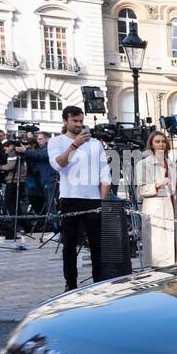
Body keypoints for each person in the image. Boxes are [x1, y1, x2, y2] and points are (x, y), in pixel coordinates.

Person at [48, 105, 111, 291]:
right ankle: (71, 284)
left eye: (81, 121)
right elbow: (58, 165)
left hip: (93, 200)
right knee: (69, 246)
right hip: (70, 198)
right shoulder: (57, 142)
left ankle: (99, 282)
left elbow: (104, 174)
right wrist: (74, 145)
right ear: (65, 121)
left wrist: (103, 201)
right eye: (74, 121)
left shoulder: (95, 144)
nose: (78, 125)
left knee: (97, 245)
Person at [135, 129, 177, 267]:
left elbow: (176, 191)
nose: (161, 144)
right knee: (158, 249)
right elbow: (140, 190)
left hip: (171, 207)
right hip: (155, 210)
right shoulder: (143, 164)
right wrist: (157, 185)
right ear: (151, 144)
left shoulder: (170, 163)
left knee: (173, 246)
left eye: (164, 141)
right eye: (157, 141)